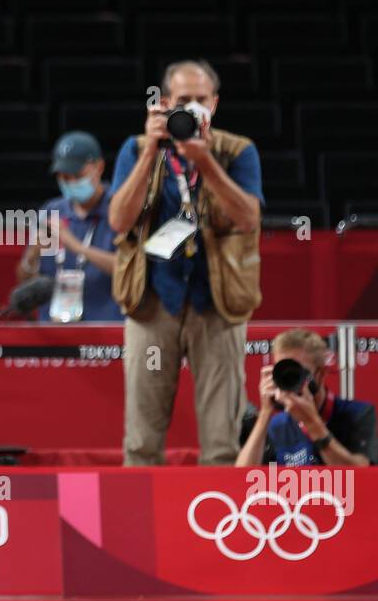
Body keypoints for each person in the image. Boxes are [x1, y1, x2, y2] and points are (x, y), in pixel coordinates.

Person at [108, 59, 265, 466]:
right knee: (141, 440)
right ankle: (136, 526)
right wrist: (150, 153)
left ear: (214, 103)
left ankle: (219, 525)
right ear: (164, 103)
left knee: (222, 441)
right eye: (183, 100)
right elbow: (118, 220)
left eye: (201, 99)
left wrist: (205, 161)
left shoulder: (237, 150)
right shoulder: (137, 148)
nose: (193, 108)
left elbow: (249, 219)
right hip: (152, 301)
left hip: (217, 303)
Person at [15, 130, 121, 322]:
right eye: (63, 177)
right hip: (55, 328)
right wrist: (32, 255)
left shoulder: (119, 208)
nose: (70, 182)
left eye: (77, 175)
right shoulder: (50, 210)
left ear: (99, 167)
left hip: (105, 329)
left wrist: (77, 247)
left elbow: (128, 269)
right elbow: (25, 279)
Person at [235, 329, 378, 467]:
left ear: (322, 373)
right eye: (284, 370)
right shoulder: (278, 425)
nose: (291, 379)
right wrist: (265, 413)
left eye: (298, 371)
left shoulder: (358, 413)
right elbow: (241, 478)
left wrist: (312, 423)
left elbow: (362, 477)